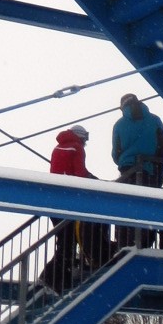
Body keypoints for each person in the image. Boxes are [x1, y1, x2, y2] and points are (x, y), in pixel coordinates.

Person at [45, 124, 111, 292]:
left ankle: (59, 278)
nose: (85, 143)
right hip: (70, 201)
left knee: (65, 241)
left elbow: (62, 172)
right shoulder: (77, 148)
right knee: (69, 242)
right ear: (81, 137)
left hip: (55, 200)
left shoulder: (58, 147)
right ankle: (53, 277)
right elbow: (80, 174)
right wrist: (94, 181)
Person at [112, 92, 163, 248]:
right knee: (148, 207)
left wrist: (124, 161)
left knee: (126, 208)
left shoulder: (119, 124)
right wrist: (159, 163)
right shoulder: (155, 120)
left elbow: (116, 152)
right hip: (152, 170)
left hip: (128, 171)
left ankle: (124, 244)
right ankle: (144, 242)